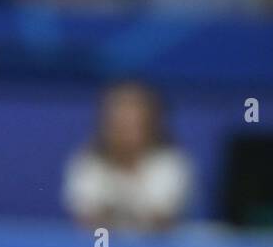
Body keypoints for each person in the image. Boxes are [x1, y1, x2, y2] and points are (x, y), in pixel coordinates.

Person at [63, 81, 192, 233]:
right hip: (100, 244)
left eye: (133, 121)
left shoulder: (170, 164)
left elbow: (161, 220)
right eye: (119, 121)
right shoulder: (89, 162)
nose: (125, 127)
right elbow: (89, 219)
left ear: (151, 122)